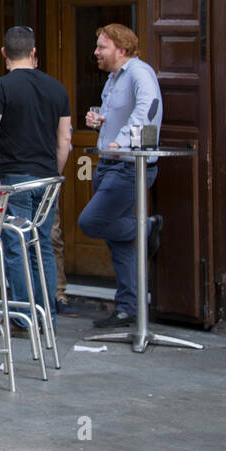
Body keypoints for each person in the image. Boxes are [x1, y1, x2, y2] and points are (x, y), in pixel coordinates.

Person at [0, 26, 71, 331]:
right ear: (34, 53)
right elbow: (64, 141)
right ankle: (48, 316)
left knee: (15, 244)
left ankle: (22, 318)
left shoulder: (0, 88)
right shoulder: (58, 88)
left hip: (13, 178)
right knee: (41, 244)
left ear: (4, 54)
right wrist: (54, 173)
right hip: (46, 179)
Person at [77, 23, 164, 330]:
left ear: (122, 50)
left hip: (129, 167)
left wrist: (123, 138)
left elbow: (148, 108)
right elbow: (120, 114)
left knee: (91, 222)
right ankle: (128, 307)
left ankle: (147, 225)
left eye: (102, 47)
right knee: (119, 242)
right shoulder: (114, 79)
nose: (96, 52)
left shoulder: (140, 73)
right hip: (110, 164)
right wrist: (100, 120)